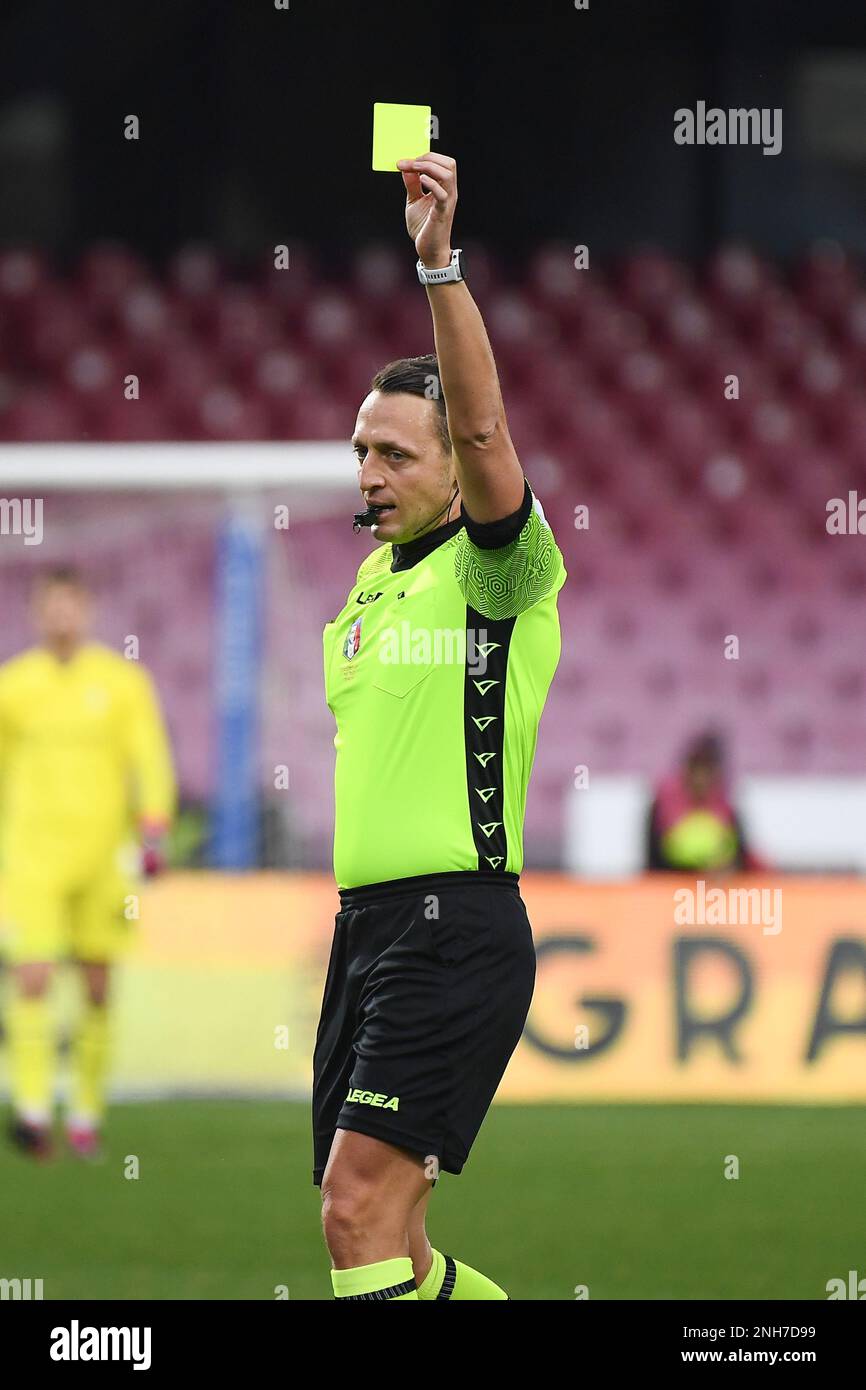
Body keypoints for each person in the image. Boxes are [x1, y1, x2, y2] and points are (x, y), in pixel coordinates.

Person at [313, 151, 567, 1301]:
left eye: (392, 453)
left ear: (454, 474)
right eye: (359, 449)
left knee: (352, 1211)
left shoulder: (495, 574)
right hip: (364, 934)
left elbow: (483, 432)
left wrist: (438, 269)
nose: (365, 471)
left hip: (450, 927)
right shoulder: (364, 596)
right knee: (394, 1241)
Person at [0, 567, 176, 1159]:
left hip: (104, 857)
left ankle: (84, 1111)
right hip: (32, 855)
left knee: (98, 984)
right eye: (50, 607)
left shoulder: (122, 683)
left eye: (70, 606)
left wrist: (153, 824)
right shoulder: (14, 686)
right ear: (35, 614)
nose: (60, 617)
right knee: (34, 975)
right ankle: (29, 1110)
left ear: (87, 611)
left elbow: (148, 756)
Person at [646, 732, 764, 872]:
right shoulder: (663, 807)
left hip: (715, 886)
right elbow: (653, 858)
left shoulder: (726, 809)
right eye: (696, 770)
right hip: (672, 883)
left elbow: (740, 852)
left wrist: (728, 867)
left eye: (706, 772)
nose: (700, 779)